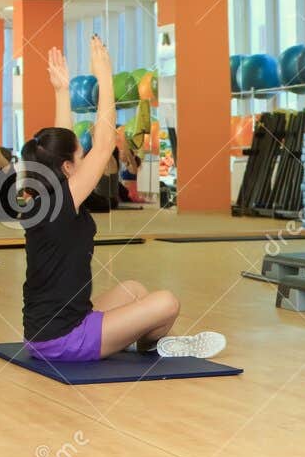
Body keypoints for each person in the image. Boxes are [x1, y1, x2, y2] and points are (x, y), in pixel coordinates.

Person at [19, 38, 223, 363]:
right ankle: (157, 346)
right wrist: (104, 77)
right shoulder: (61, 200)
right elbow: (102, 145)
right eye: (79, 156)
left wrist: (61, 90)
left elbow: (63, 144)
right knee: (166, 302)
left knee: (134, 291)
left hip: (43, 333)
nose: (85, 158)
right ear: (67, 168)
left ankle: (141, 342)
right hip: (63, 340)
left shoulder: (46, 198)